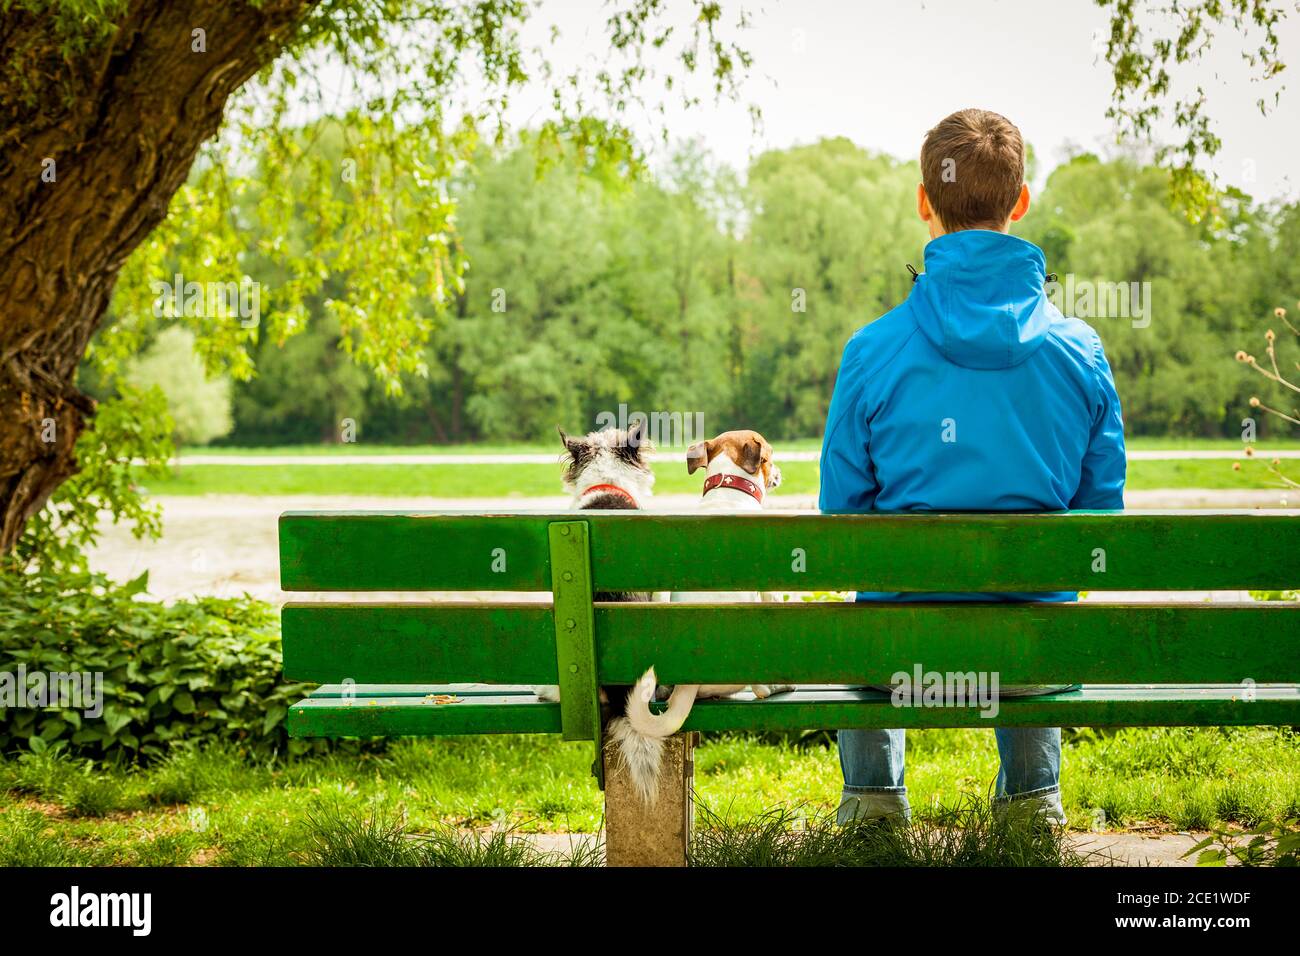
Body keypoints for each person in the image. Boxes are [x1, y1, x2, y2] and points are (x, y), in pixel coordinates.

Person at [818, 108, 1127, 826]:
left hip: (900, 658)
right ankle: (1031, 803)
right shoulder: (1080, 353)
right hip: (1033, 659)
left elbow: (843, 515)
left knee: (876, 613)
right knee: (1036, 603)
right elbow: (1100, 518)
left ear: (925, 202)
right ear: (1020, 202)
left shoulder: (872, 350)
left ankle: (872, 804)